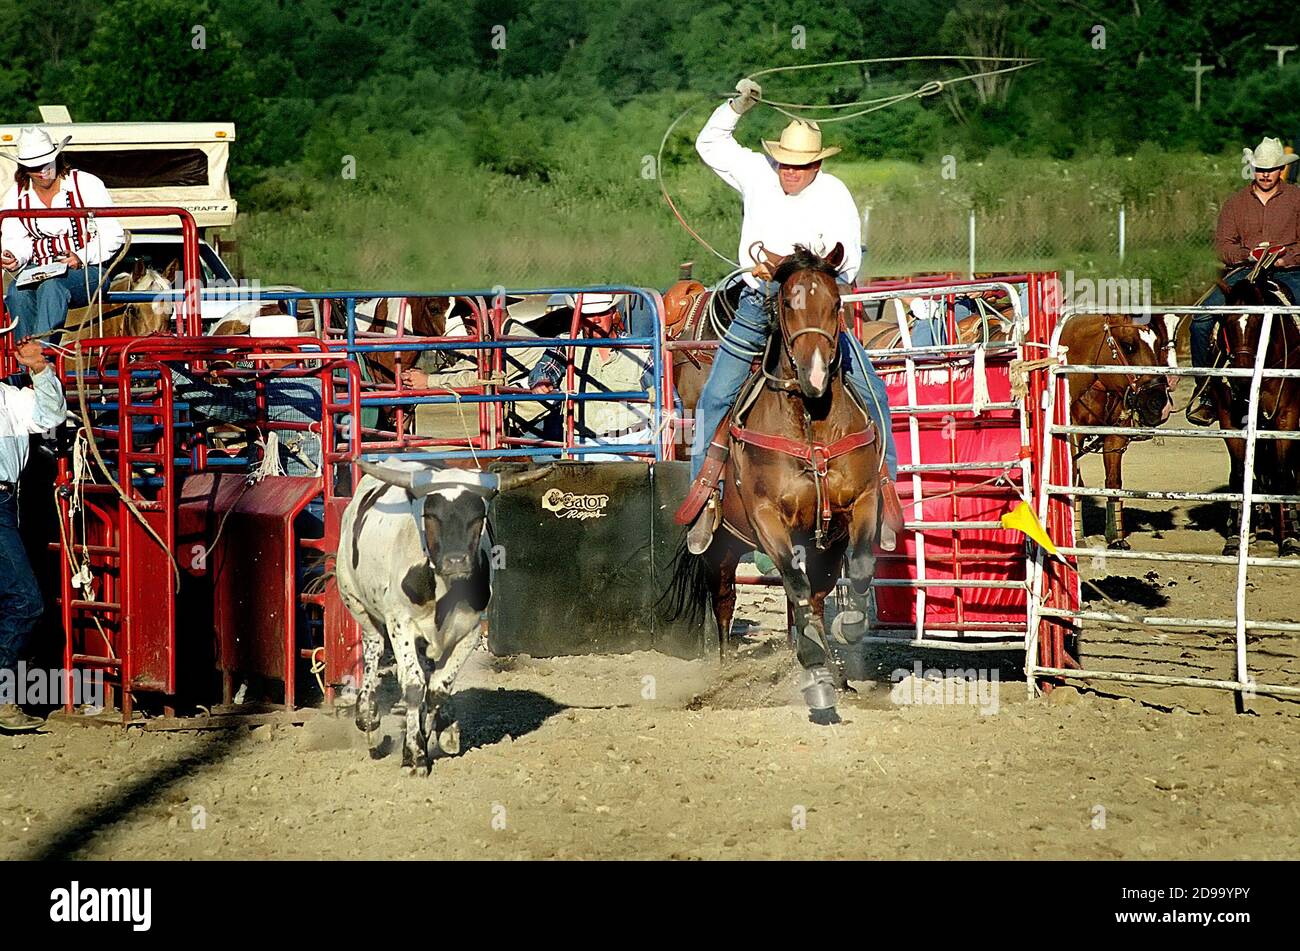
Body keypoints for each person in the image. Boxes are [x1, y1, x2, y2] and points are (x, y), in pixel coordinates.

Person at [685, 78, 897, 550]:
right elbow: (710, 143)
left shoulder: (835, 194)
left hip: (813, 312)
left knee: (872, 392)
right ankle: (704, 500)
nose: (789, 171)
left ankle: (885, 494)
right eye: (784, 162)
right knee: (716, 395)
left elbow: (849, 262)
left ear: (817, 164)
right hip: (758, 303)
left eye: (799, 165)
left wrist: (793, 265)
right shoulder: (757, 172)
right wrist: (736, 107)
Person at [1186, 136, 1300, 425]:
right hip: (1245, 272)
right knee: (1201, 320)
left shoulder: (1297, 198)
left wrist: (1287, 258)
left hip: (1288, 271)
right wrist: (1246, 255)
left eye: (1271, 169)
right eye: (1260, 169)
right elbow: (1223, 244)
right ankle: (1207, 393)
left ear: (1280, 171)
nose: (1265, 174)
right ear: (1253, 169)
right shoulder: (1235, 203)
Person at [1, 127, 125, 342]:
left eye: (46, 163)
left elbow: (113, 235)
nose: (42, 171)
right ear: (24, 168)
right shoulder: (16, 195)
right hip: (36, 269)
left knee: (52, 287)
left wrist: (81, 257)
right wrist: (13, 256)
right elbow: (16, 239)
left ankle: (42, 357)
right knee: (16, 292)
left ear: (57, 158)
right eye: (34, 166)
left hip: (88, 271)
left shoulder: (87, 184)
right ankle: (26, 360)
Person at [0, 338, 66, 731]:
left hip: (5, 501)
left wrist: (41, 371)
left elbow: (49, 415)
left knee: (20, 599)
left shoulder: (10, 398)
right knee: (24, 600)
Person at [526, 293, 656, 460]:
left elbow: (667, 400)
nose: (595, 320)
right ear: (579, 318)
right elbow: (545, 368)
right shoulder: (566, 345)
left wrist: (654, 442)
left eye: (602, 313)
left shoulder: (640, 350)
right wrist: (541, 380)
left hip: (635, 440)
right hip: (585, 443)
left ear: (614, 313)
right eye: (587, 315)